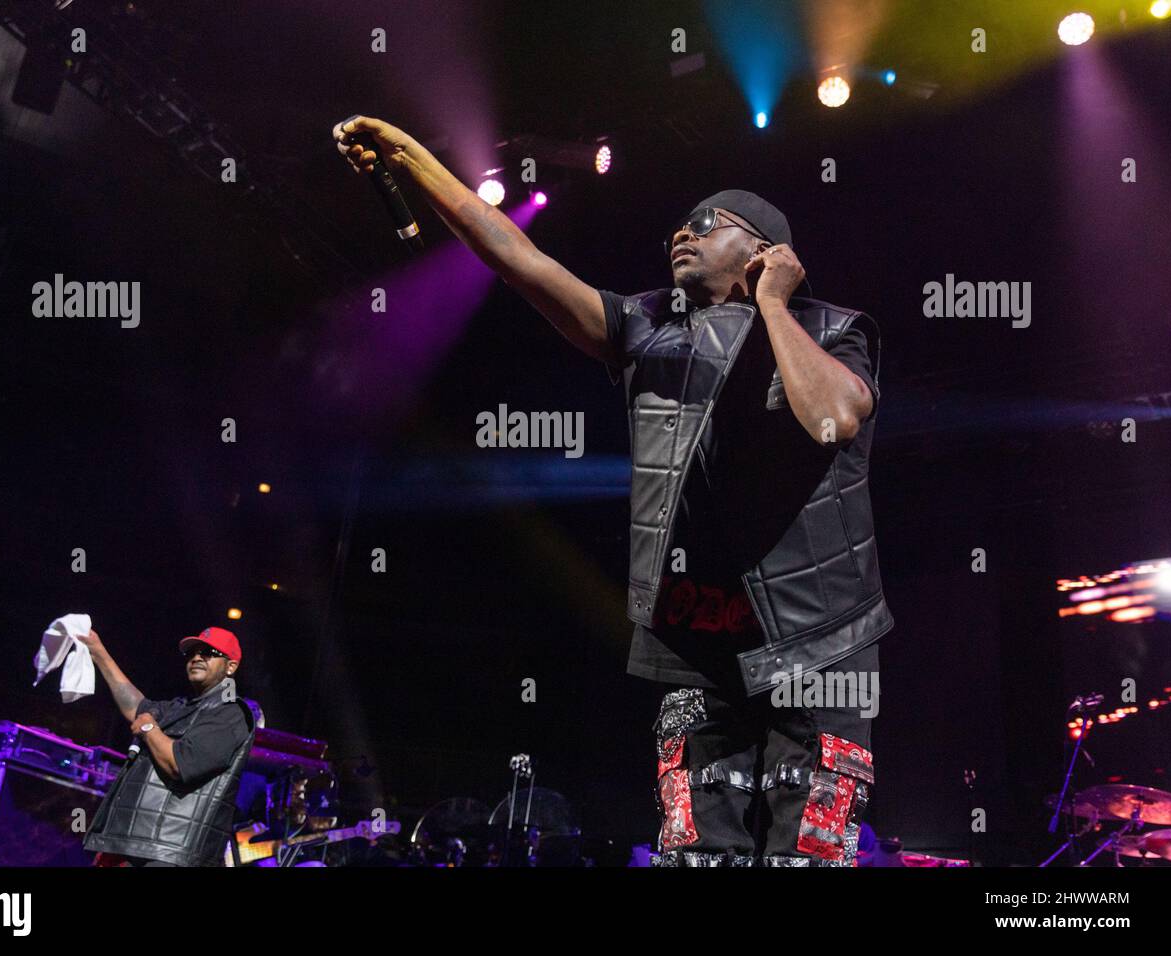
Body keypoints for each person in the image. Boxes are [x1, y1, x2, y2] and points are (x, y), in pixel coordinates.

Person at [333, 116, 892, 866]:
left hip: (820, 642)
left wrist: (775, 306)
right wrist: (414, 159)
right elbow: (517, 257)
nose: (681, 235)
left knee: (811, 855)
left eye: (707, 224)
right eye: (677, 227)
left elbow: (833, 418)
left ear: (765, 250)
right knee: (694, 852)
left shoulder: (830, 326)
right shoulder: (646, 326)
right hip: (697, 640)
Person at [79, 625, 255, 867]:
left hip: (171, 854)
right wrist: (98, 652)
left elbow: (180, 765)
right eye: (192, 653)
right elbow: (136, 708)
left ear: (230, 667)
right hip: (137, 844)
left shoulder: (230, 713)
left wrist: (150, 729)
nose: (196, 658)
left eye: (209, 652)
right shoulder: (180, 707)